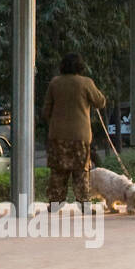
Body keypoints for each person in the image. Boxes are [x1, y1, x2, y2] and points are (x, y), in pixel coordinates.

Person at [42, 52, 106, 211]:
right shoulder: (86, 82)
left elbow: (45, 111)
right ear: (80, 66)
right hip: (80, 136)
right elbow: (100, 102)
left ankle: (55, 204)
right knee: (81, 172)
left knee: (58, 171)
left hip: (58, 136)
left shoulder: (54, 83)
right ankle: (84, 204)